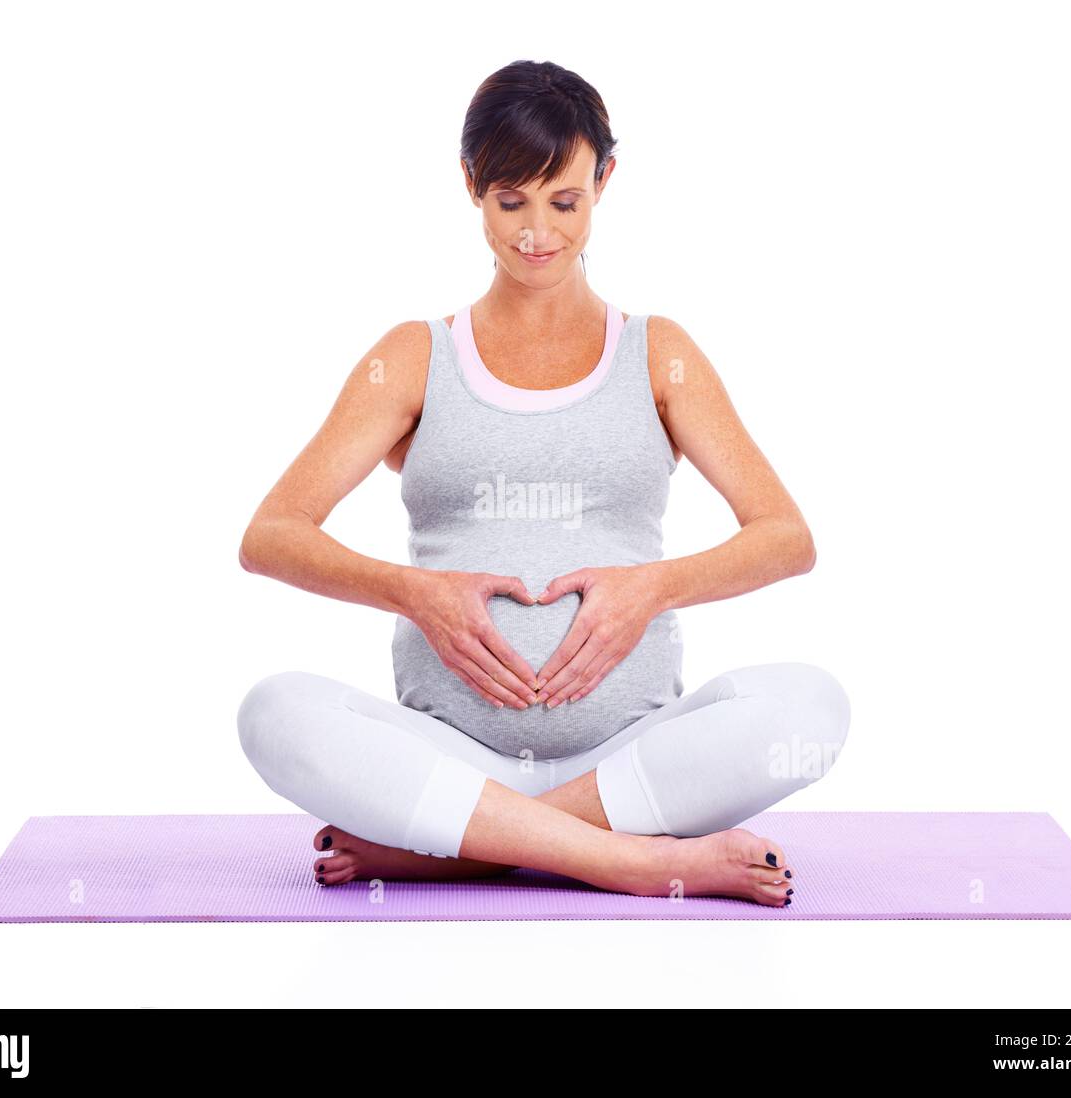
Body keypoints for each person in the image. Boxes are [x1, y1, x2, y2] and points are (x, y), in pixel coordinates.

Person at [236, 60, 850, 905]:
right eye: (509, 202)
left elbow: (786, 538)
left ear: (604, 180)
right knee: (273, 713)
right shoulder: (414, 358)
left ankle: (470, 850)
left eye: (564, 202)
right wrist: (415, 594)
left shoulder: (657, 352)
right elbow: (273, 535)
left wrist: (652, 589)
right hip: (452, 760)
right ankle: (627, 862)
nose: (536, 234)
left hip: (629, 760)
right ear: (470, 186)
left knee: (812, 708)